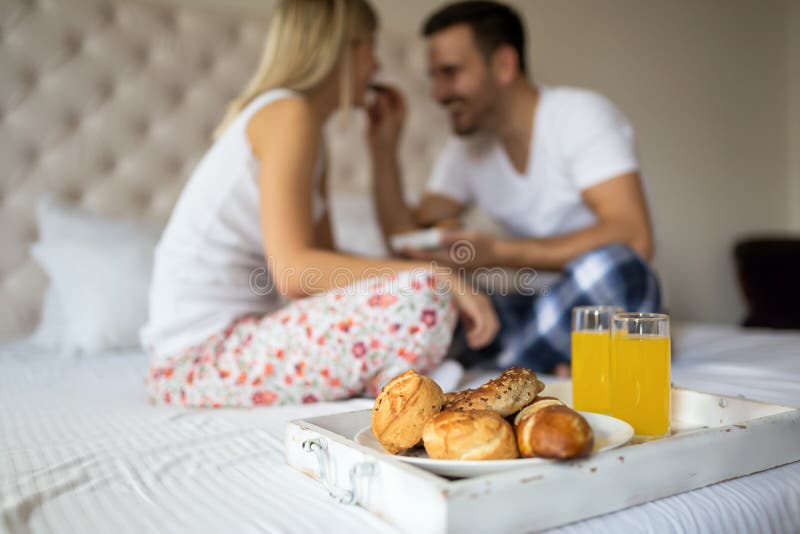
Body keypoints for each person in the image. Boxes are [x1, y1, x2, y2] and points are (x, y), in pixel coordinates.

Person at [141, 0, 499, 408]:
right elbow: (295, 273)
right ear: (344, 49)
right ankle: (404, 381)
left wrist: (383, 149)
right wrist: (431, 274)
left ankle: (401, 377)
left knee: (422, 287)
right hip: (195, 362)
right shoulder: (288, 114)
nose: (376, 65)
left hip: (234, 342)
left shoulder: (307, 130)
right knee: (421, 294)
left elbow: (322, 266)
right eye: (370, 47)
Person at [368, 1, 661, 375]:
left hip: (606, 304)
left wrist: (498, 252)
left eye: (451, 73)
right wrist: (382, 149)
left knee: (614, 266)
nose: (438, 94)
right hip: (532, 305)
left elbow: (635, 236)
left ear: (504, 64)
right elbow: (406, 241)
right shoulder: (466, 148)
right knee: (432, 293)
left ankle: (506, 365)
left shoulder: (579, 115)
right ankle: (541, 357)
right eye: (434, 77)